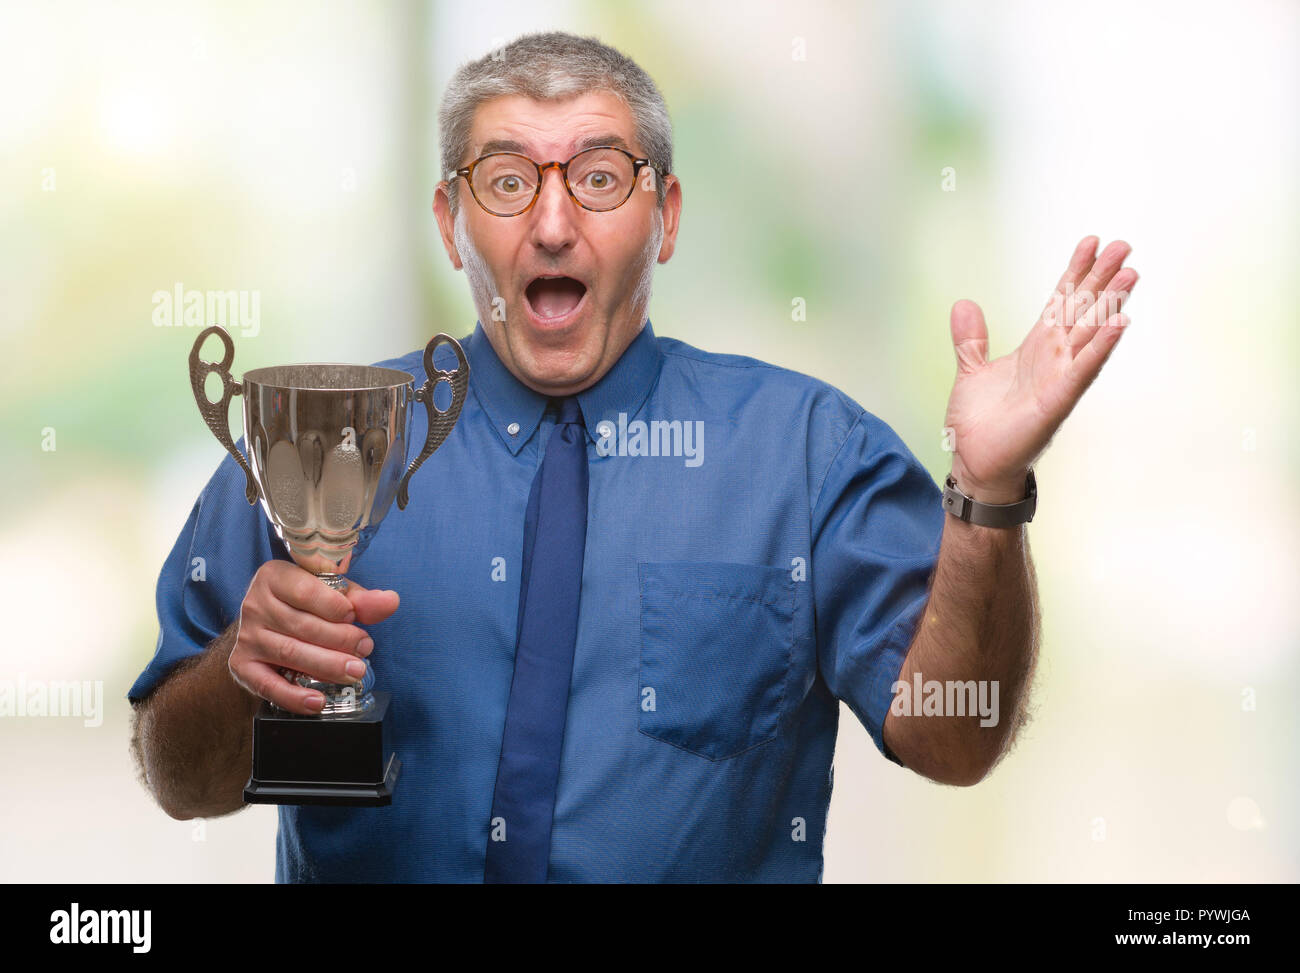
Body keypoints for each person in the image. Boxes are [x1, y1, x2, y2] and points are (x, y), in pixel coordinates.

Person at [128, 30, 1138, 883]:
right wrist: (241, 670)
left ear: (665, 219)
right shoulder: (316, 435)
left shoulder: (808, 454)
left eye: (601, 178)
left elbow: (953, 739)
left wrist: (989, 492)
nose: (555, 223)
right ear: (451, 223)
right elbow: (180, 781)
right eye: (509, 180)